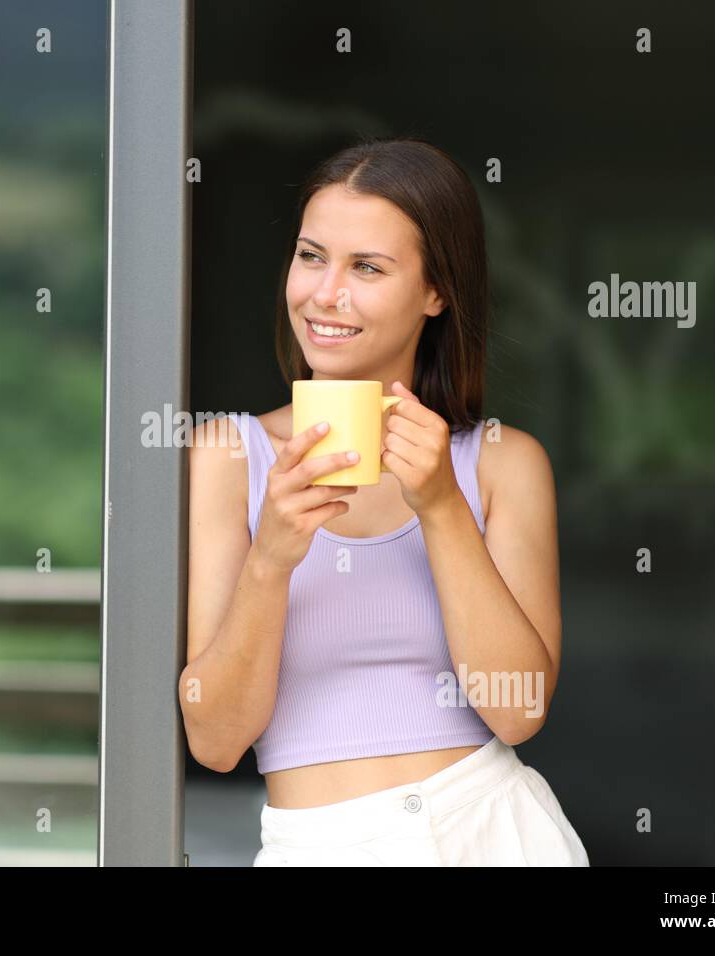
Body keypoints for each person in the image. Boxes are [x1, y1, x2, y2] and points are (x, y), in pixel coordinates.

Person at [180, 137, 590, 866]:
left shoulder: (501, 463)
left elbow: (518, 711)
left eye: (367, 267)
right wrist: (272, 556)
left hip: (485, 831)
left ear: (437, 292)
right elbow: (214, 741)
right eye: (311, 256)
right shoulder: (227, 456)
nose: (324, 293)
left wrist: (440, 506)